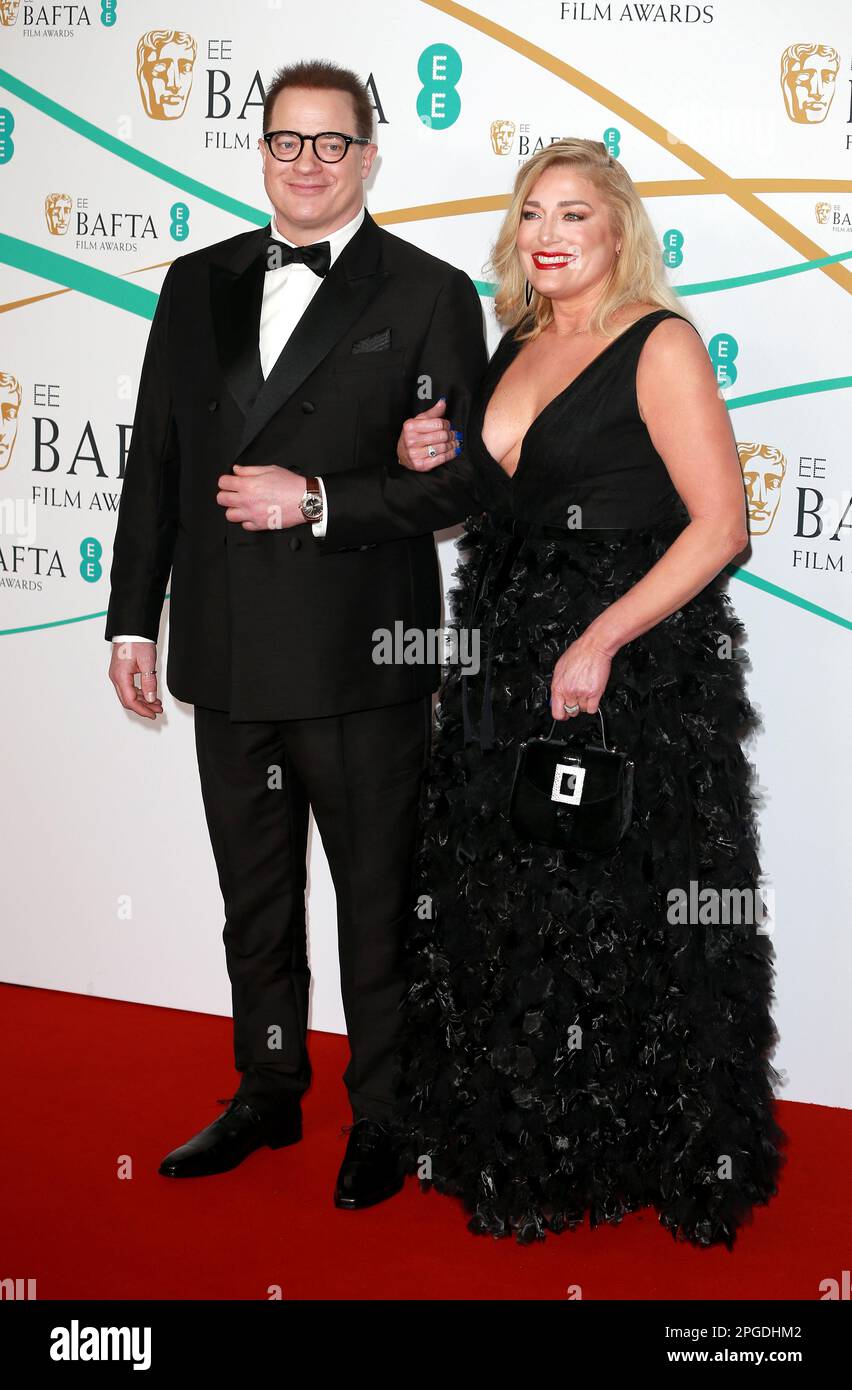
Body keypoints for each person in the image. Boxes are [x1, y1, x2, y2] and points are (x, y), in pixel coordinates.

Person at [389, 139, 787, 1248]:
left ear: (619, 231)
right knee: (512, 908)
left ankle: (655, 1151)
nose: (549, 234)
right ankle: (531, 1148)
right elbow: (484, 504)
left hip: (632, 667)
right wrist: (432, 458)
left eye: (574, 213)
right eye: (531, 215)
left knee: (623, 911)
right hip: (506, 658)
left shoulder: (658, 345)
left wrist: (601, 638)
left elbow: (722, 526)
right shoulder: (515, 339)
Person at [105, 59, 487, 1209]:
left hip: (361, 655)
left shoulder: (427, 291)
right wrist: (132, 616)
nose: (308, 163)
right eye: (287, 141)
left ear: (371, 155)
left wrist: (315, 497)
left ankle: (388, 1113)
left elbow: (459, 488)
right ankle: (268, 1091)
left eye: (332, 143)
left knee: (378, 900)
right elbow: (157, 465)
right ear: (259, 150)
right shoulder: (195, 282)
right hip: (224, 650)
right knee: (254, 896)